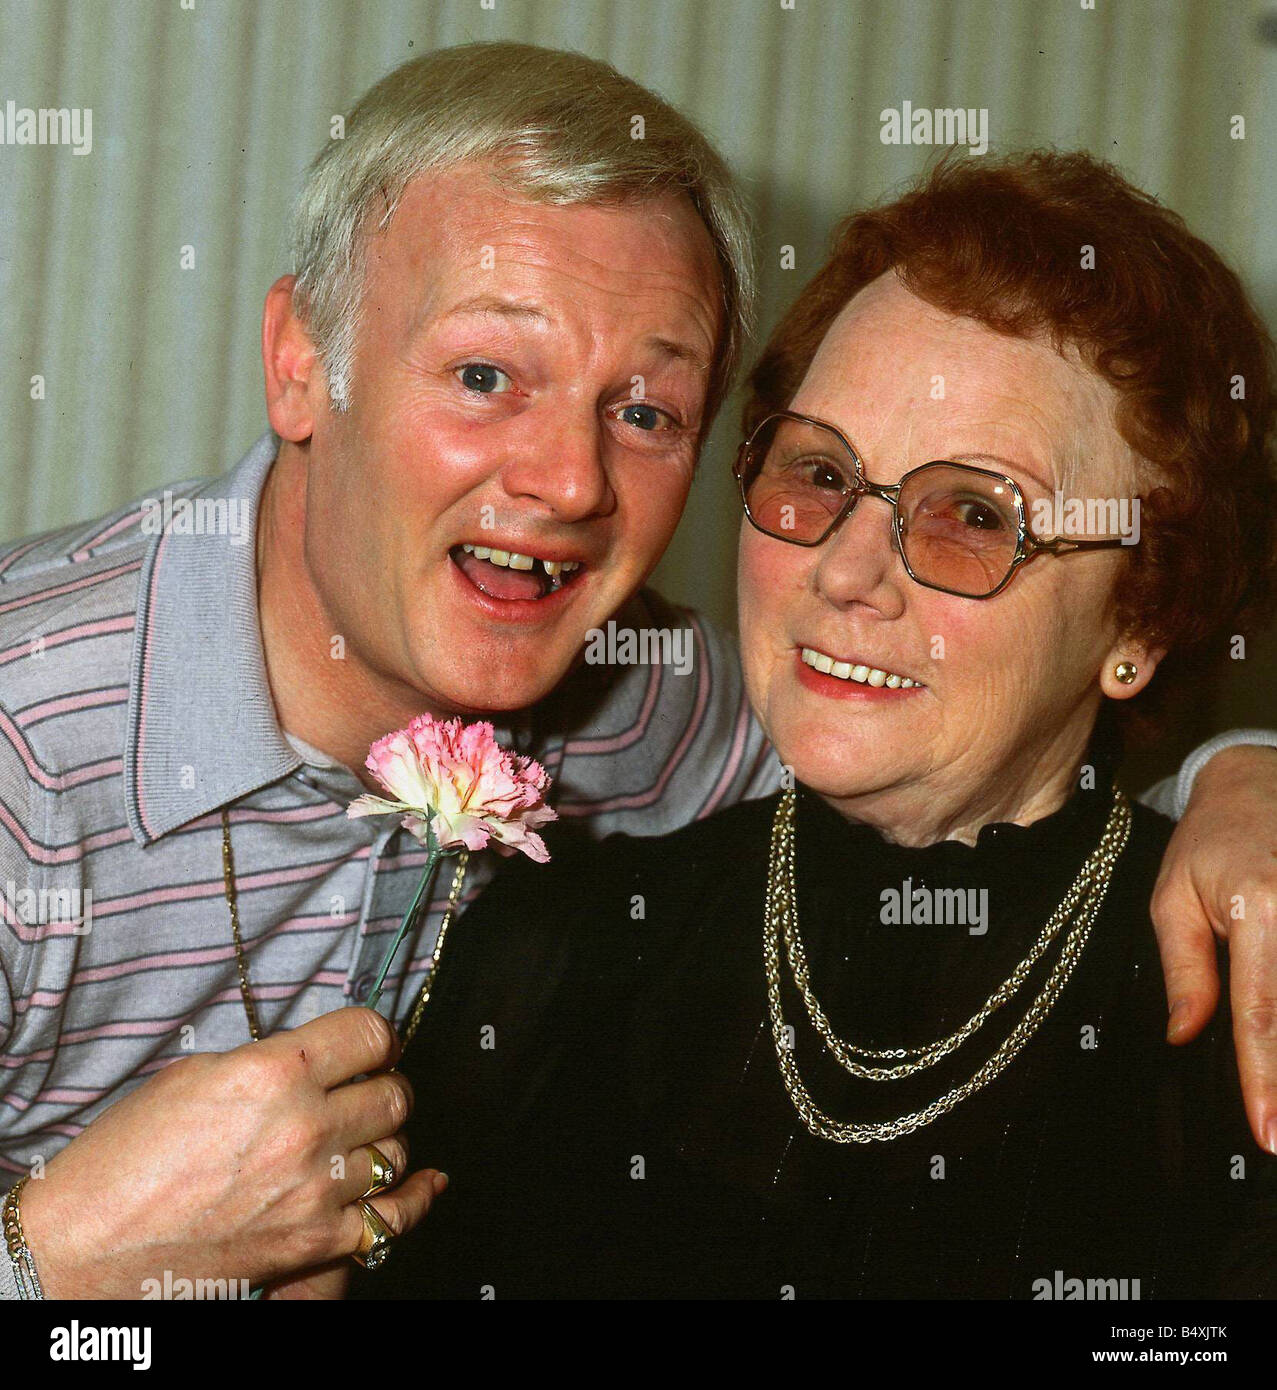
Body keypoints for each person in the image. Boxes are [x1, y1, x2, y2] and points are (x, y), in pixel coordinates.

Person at [0, 43, 1272, 1301]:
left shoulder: (638, 697)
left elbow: (974, 787)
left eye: (645, 412)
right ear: (297, 365)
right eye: (485, 374)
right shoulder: (22, 750)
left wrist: (1241, 777)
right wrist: (49, 1264)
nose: (565, 481)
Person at [385, 150, 1277, 1299]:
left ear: (1141, 620)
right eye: (817, 471)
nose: (846, 570)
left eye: (968, 514)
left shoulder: (1232, 1009)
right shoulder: (561, 946)